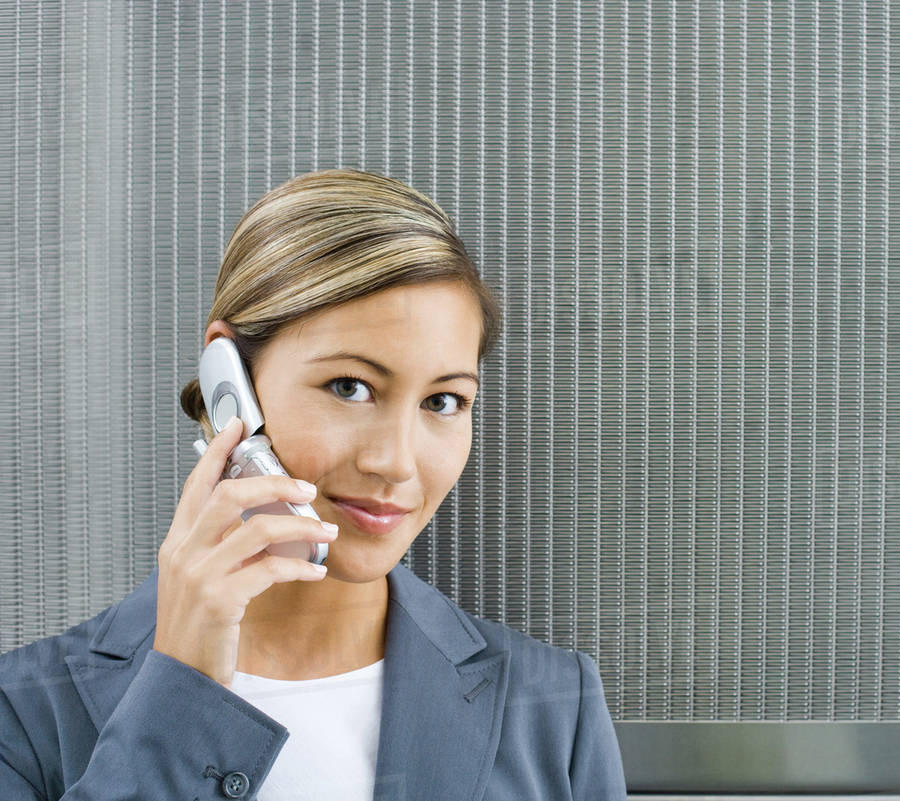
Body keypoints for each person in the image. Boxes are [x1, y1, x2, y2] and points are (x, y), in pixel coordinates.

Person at [0, 169, 627, 800]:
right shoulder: (22, 713)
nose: (397, 463)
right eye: (350, 387)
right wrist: (180, 689)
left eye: (443, 401)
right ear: (231, 381)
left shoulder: (554, 709)